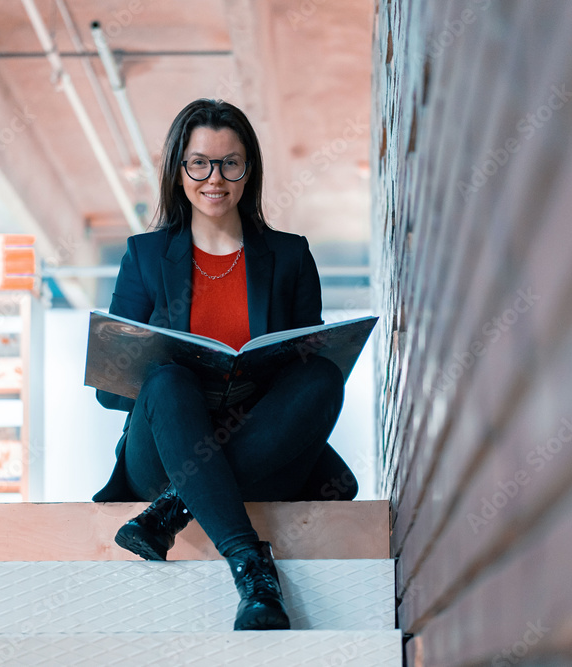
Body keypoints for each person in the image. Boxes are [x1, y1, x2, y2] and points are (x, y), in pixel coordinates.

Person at [93, 99, 358, 631]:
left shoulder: (289, 256)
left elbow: (303, 367)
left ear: (249, 168)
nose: (214, 179)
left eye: (230, 163)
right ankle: (250, 568)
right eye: (199, 163)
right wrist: (191, 374)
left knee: (321, 377)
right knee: (168, 381)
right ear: (179, 169)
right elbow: (110, 391)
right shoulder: (145, 256)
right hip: (163, 447)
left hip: (259, 441)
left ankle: (173, 511)